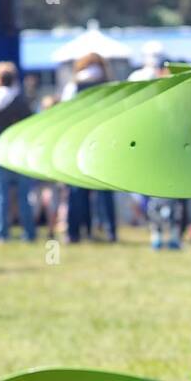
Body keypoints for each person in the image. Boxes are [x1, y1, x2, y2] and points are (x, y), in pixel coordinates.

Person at [62, 54, 118, 243]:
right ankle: (110, 231)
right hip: (102, 142)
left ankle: (76, 232)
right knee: (104, 189)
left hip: (78, 142)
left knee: (77, 190)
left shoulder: (73, 86)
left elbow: (64, 114)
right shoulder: (109, 86)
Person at [0, 61, 36, 242]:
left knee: (0, 196)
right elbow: (31, 125)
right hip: (17, 151)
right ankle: (28, 233)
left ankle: (1, 234)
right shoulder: (20, 100)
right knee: (23, 195)